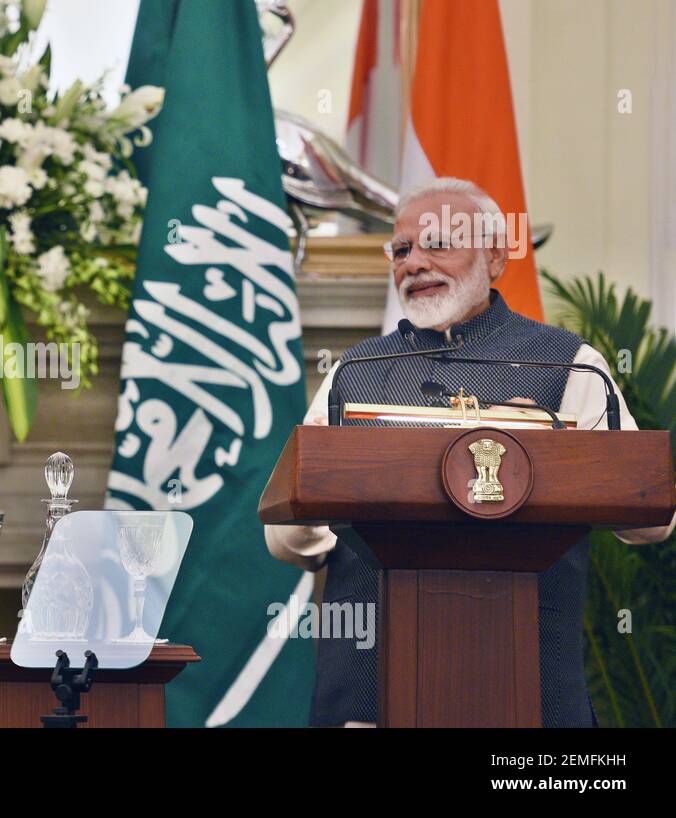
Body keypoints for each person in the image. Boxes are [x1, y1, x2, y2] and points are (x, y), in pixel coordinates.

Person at [264, 176, 675, 728]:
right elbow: (287, 537)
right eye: (402, 249)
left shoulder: (568, 365)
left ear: (497, 258)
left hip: (530, 692)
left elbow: (652, 520)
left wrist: (546, 464)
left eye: (438, 244)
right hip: (370, 691)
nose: (414, 263)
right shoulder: (354, 372)